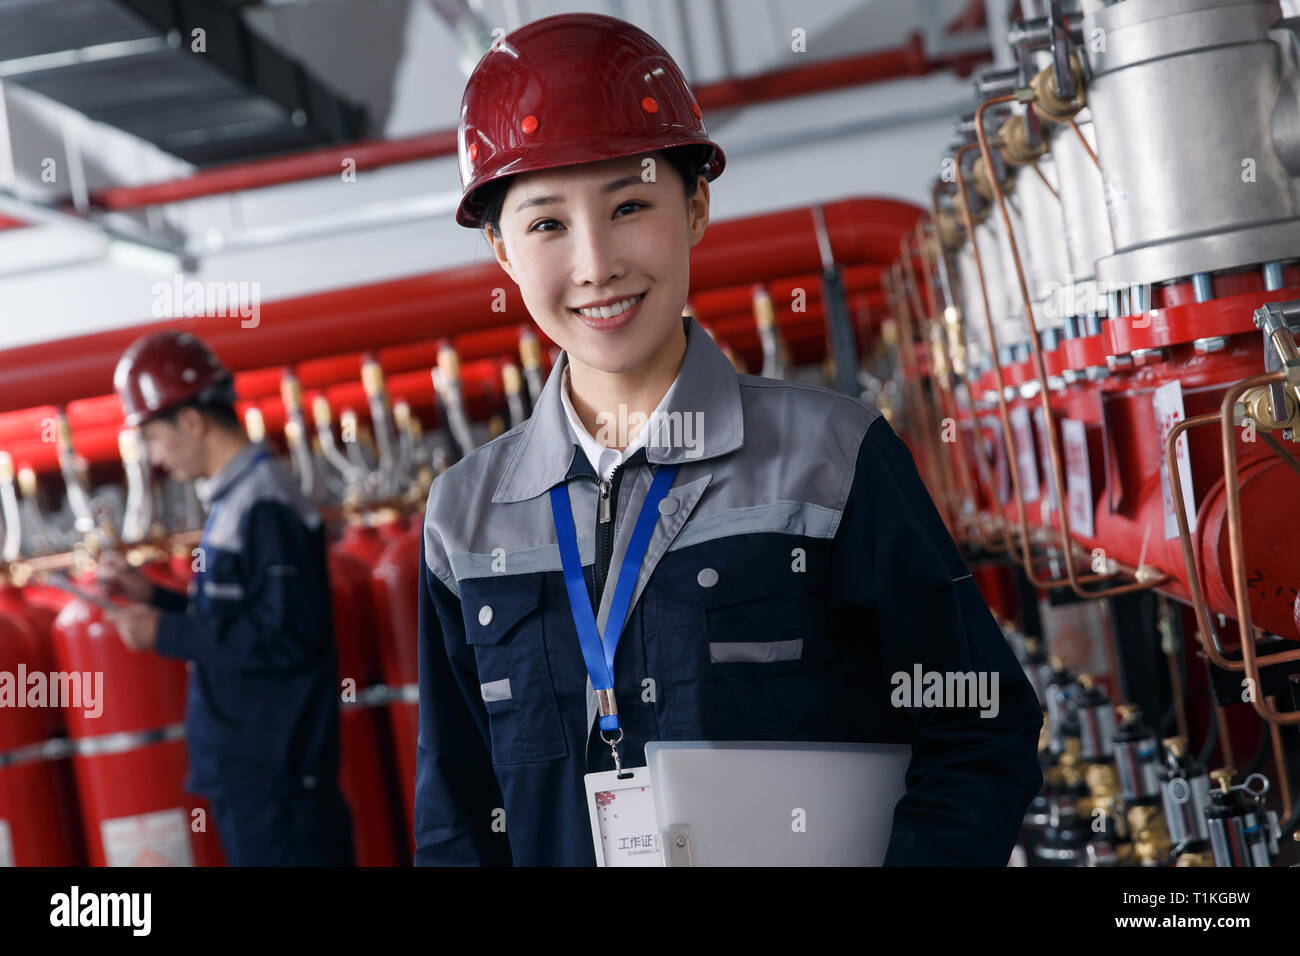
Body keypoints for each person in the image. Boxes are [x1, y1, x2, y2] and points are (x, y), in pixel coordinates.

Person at [413, 12, 1042, 867]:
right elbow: (457, 818)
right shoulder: (464, 517)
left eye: (629, 205)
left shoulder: (832, 459)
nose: (596, 264)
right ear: (501, 250)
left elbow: (978, 724)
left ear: (696, 207)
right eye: (547, 224)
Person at [98, 330, 354, 867]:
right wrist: (154, 598)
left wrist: (165, 633)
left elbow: (287, 638)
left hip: (279, 782)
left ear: (192, 421)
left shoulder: (263, 504)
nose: (154, 456)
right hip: (255, 774)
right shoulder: (239, 499)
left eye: (153, 437)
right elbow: (238, 618)